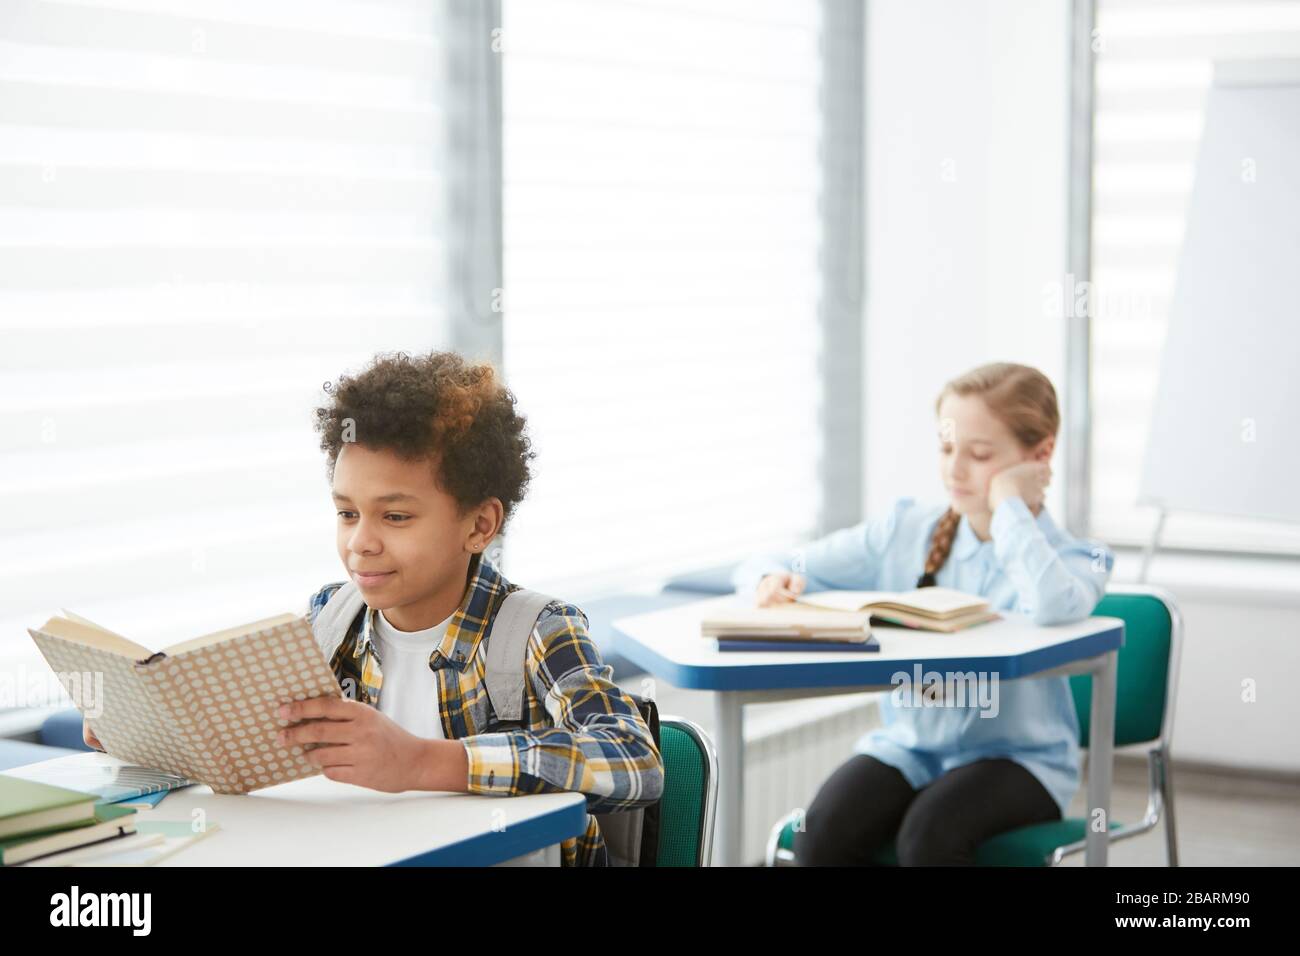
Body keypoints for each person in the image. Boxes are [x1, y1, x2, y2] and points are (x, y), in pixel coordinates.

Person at [732, 361, 1115, 865]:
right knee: (820, 832)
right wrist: (769, 580)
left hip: (1020, 761)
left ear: (1039, 455)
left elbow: (1049, 604)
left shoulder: (1075, 558)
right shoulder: (903, 531)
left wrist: (1008, 506)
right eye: (947, 448)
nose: (955, 469)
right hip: (910, 748)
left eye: (979, 455)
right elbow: (773, 561)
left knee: (928, 839)